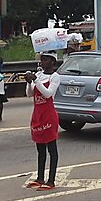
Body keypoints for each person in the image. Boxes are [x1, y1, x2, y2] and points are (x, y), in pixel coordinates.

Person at [25, 51, 61, 190]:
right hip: (37, 115)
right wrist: (29, 83)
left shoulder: (55, 77)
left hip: (49, 115)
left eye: (45, 59)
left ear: (52, 62)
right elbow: (30, 94)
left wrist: (36, 80)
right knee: (40, 148)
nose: (42, 62)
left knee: (52, 149)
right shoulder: (38, 75)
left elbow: (48, 94)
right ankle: (40, 177)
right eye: (42, 59)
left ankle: (51, 180)